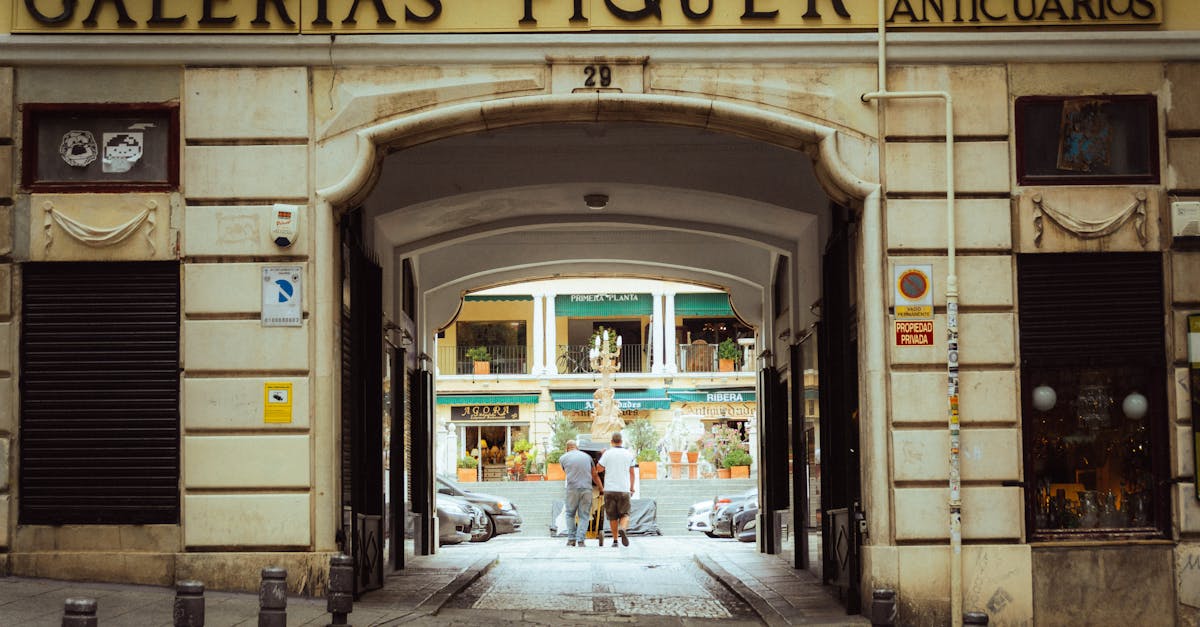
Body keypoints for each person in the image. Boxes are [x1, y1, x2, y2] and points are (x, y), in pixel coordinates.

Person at [596, 431, 637, 547]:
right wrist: (632, 487)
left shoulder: (607, 453)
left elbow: (598, 469)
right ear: (621, 441)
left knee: (612, 516)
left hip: (609, 489)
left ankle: (615, 541)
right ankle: (623, 528)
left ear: (611, 442)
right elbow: (632, 473)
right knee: (625, 514)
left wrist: (602, 455)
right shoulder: (629, 454)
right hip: (624, 489)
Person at [558, 440, 600, 547]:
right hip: (586, 488)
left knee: (569, 514)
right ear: (576, 447)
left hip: (572, 489)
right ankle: (581, 540)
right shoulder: (587, 457)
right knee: (584, 515)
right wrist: (601, 488)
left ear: (567, 448)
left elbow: (566, 471)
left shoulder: (563, 458)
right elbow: (594, 474)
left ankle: (571, 539)